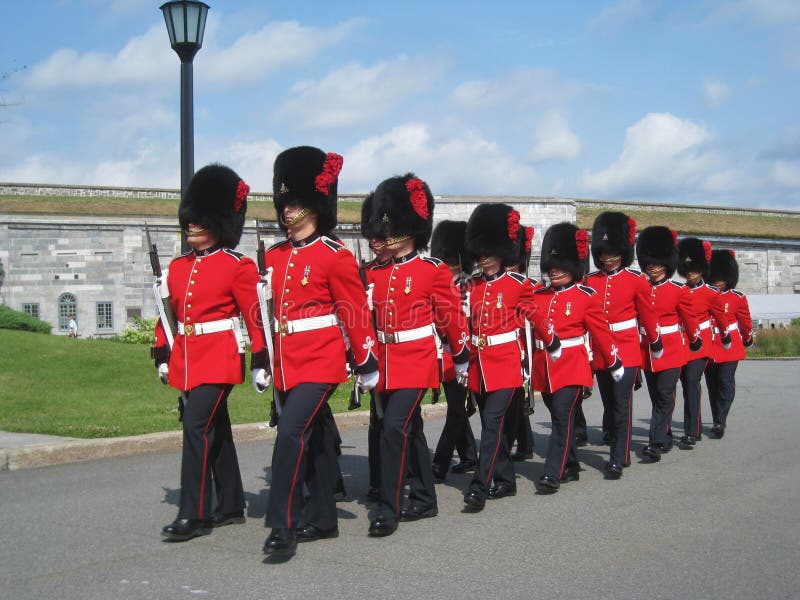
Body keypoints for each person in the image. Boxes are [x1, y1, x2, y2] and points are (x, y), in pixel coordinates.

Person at [262, 146, 379, 559]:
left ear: (313, 205)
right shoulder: (274, 256)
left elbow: (353, 311)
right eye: (284, 201)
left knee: (290, 432)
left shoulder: (335, 256)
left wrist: (365, 359)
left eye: (293, 202)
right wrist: (263, 359)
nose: (286, 210)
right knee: (309, 439)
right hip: (287, 362)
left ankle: (282, 523)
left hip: (322, 360)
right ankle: (324, 518)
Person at [153, 164, 267, 542]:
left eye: (199, 221)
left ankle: (194, 512)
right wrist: (161, 352)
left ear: (216, 223)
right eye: (190, 220)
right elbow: (168, 314)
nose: (190, 227)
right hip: (187, 356)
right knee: (215, 429)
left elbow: (255, 318)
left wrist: (261, 359)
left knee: (196, 424)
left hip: (220, 357)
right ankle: (231, 504)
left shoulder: (238, 266)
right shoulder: (177, 267)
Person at [365, 173, 470, 537]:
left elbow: (449, 317)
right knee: (411, 429)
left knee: (394, 427)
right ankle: (425, 498)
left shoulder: (433, 270)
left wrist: (460, 353)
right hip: (384, 360)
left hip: (416, 360)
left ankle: (388, 508)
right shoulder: (374, 273)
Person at [461, 204, 559, 511]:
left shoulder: (517, 286)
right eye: (480, 254)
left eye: (488, 253)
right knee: (495, 427)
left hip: (505, 363)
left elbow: (534, 317)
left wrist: (552, 341)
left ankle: (480, 484)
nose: (484, 260)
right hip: (479, 364)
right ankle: (505, 480)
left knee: (491, 424)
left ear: (501, 253)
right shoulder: (472, 286)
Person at [533, 222, 624, 492]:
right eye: (551, 266)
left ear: (573, 266)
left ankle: (553, 472)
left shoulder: (585, 296)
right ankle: (571, 464)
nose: (554, 271)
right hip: (544, 367)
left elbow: (601, 332)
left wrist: (613, 361)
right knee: (562, 417)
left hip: (572, 365)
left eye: (560, 266)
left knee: (561, 417)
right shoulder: (537, 296)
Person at [585, 212, 662, 478]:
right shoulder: (591, 281)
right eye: (603, 253)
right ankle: (621, 448)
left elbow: (648, 314)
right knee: (609, 403)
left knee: (621, 404)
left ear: (622, 252)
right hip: (599, 351)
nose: (607, 257)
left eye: (612, 252)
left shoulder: (636, 280)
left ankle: (618, 457)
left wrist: (655, 340)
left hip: (627, 349)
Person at [635, 227, 702, 462]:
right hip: (647, 350)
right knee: (657, 397)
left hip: (671, 348)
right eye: (649, 262)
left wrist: (695, 339)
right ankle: (666, 437)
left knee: (664, 395)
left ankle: (654, 443)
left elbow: (689, 318)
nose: (652, 266)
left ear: (666, 263)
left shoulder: (678, 290)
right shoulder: (640, 287)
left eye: (656, 262)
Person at [429, 220, 479, 482]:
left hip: (466, 353)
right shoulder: (441, 283)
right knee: (457, 406)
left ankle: (440, 461)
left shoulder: (469, 285)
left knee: (457, 410)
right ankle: (469, 454)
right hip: (446, 354)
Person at [676, 238, 733, 447]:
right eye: (688, 269)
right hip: (681, 342)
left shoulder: (711, 293)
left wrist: (726, 336)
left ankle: (691, 431)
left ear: (701, 269)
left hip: (700, 345)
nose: (691, 273)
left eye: (695, 269)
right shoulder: (678, 290)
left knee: (692, 381)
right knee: (685, 385)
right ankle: (695, 427)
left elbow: (721, 318)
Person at [705, 249, 754, 438]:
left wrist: (747, 337)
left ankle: (720, 421)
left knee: (725, 382)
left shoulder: (737, 297)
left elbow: (745, 321)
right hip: (710, 344)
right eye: (715, 277)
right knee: (712, 385)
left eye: (722, 277)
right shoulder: (705, 294)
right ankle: (717, 416)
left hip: (730, 345)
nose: (718, 281)